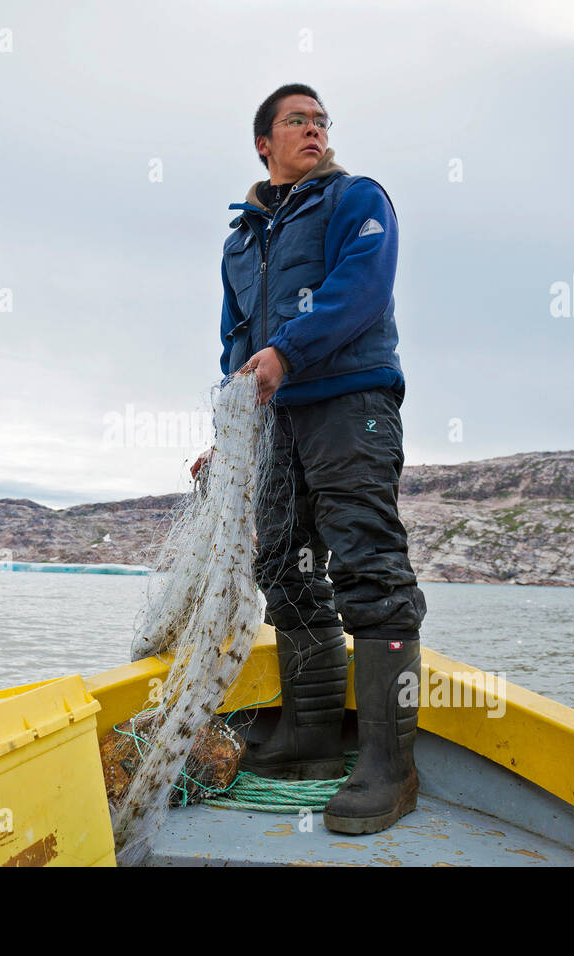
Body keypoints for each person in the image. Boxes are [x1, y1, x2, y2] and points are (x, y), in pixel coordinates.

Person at [191, 84, 427, 834]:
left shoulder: (356, 199)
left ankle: (392, 767)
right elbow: (237, 346)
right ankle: (312, 736)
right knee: (282, 567)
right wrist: (230, 435)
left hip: (349, 405)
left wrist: (286, 355)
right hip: (276, 420)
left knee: (369, 568)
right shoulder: (242, 240)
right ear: (263, 143)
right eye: (297, 121)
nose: (314, 131)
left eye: (321, 121)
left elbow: (361, 291)